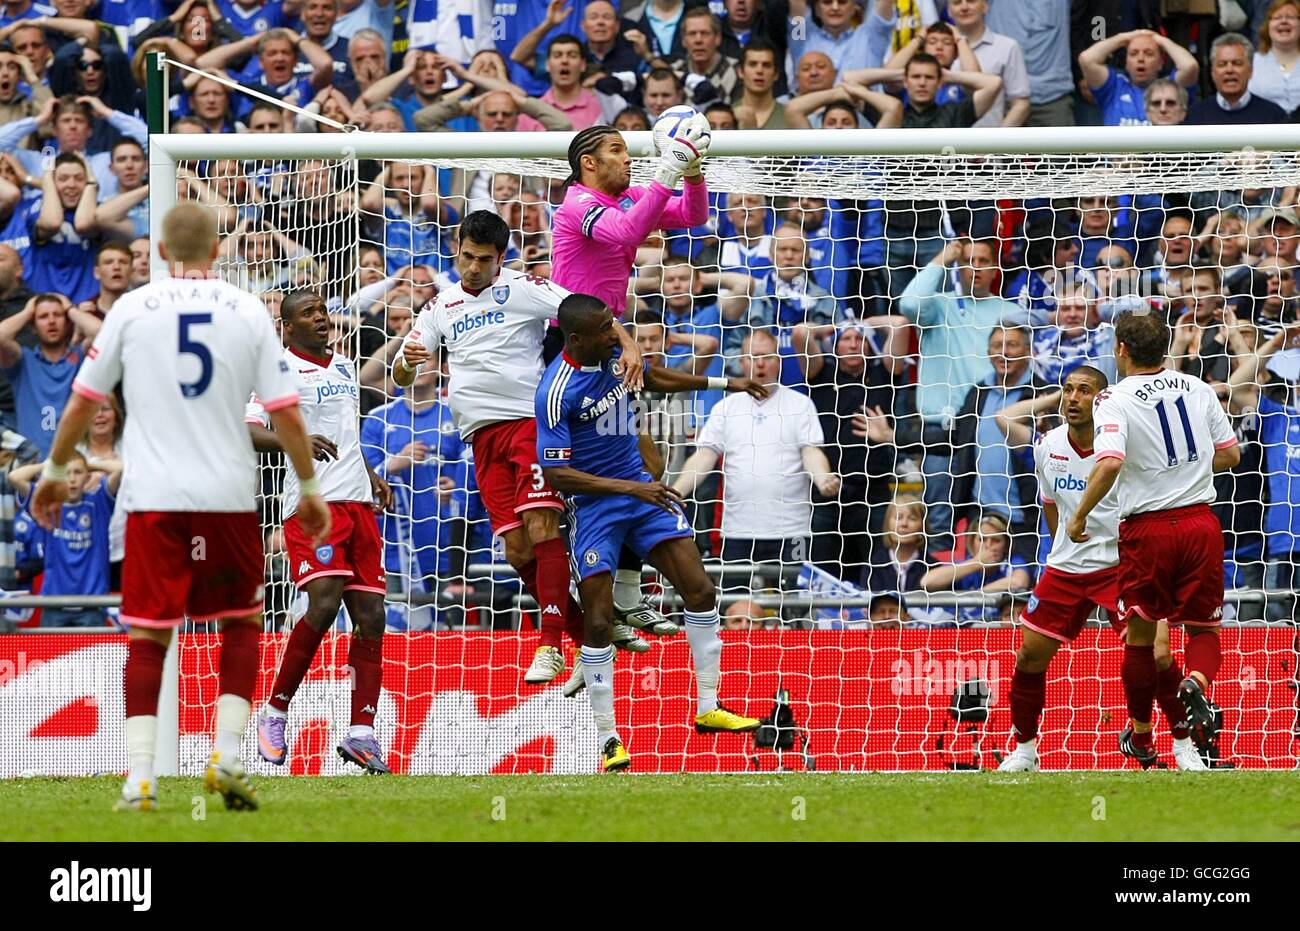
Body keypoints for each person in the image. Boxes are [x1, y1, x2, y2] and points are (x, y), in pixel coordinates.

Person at [29, 202, 329, 812]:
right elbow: (288, 412)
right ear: (218, 252)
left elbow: (84, 403)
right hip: (225, 497)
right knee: (240, 621)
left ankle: (140, 777)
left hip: (153, 497)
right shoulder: (247, 309)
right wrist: (310, 487)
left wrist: (56, 472)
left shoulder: (132, 309)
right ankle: (227, 754)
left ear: (161, 253)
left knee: (149, 632)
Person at [394, 211, 649, 686]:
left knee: (540, 522)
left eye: (484, 260)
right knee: (516, 550)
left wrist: (628, 343)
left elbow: (585, 309)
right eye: (467, 257)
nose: (473, 268)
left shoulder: (523, 287)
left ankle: (550, 643)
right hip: (479, 436)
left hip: (529, 423)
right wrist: (407, 366)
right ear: (455, 248)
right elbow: (400, 373)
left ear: (501, 258)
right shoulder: (439, 307)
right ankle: (593, 632)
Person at [536, 292, 765, 772]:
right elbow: (557, 476)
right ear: (577, 338)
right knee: (598, 623)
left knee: (699, 590)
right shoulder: (555, 392)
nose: (615, 332)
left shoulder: (612, 357)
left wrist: (728, 382)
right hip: (596, 507)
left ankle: (709, 708)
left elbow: (653, 377)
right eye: (605, 328)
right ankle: (608, 740)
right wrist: (631, 488)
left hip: (641, 496)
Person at [997, 366, 1206, 772]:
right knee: (1028, 657)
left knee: (1160, 655)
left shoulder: (1126, 446)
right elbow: (1051, 505)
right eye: (1068, 390)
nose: (1073, 398)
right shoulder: (1048, 446)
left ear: (1102, 399)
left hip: (1123, 566)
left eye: (1084, 390)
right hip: (1067, 569)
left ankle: (1183, 745)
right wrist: (1063, 547)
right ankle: (1024, 750)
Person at [1066, 312, 1242, 764]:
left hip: (1148, 530)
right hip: (1201, 523)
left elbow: (1107, 463)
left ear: (1121, 349)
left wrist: (1079, 516)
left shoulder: (1114, 399)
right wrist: (1187, 473)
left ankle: (1142, 733)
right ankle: (1197, 683)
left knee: (1141, 639)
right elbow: (1231, 454)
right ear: (1164, 348)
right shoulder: (1198, 388)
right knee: (1204, 627)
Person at [248, 290, 395, 774]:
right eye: (308, 313)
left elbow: (346, 434)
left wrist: (372, 476)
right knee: (326, 602)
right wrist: (296, 440)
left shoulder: (347, 367)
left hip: (358, 501)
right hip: (312, 506)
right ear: (286, 328)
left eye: (322, 310)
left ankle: (361, 734)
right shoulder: (276, 370)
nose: (320, 317)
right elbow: (247, 430)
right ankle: (274, 713)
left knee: (371, 616)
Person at [672, 328, 841, 569]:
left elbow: (811, 451)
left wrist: (823, 478)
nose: (760, 364)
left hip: (792, 530)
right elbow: (704, 456)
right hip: (737, 530)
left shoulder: (801, 404)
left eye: (767, 357)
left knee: (793, 601)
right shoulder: (725, 407)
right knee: (735, 601)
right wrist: (677, 491)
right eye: (752, 357)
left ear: (779, 361)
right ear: (742, 362)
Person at [551, 123, 711, 318]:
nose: (627, 159)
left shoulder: (629, 197)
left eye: (625, 151)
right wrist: (667, 173)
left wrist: (692, 173)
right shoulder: (577, 204)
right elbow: (628, 231)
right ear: (589, 163)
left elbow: (693, 215)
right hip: (570, 325)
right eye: (616, 151)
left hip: (605, 321)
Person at [8, 450, 119, 627]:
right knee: (52, 656)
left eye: (78, 472)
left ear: (88, 476)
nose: (72, 479)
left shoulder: (99, 501)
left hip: (92, 606)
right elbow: (14, 477)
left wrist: (89, 463)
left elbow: (122, 469)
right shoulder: (47, 502)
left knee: (90, 656)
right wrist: (50, 466)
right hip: (54, 605)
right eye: (66, 473)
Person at [1077, 28, 1200, 127]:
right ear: (1126, 62)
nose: (1140, 59)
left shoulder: (1170, 88)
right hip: (1117, 158)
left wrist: (1161, 40)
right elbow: (1087, 59)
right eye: (1134, 53)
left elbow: (1190, 66)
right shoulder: (1113, 87)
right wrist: (1124, 38)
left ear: (1160, 62)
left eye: (1149, 53)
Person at [1186, 32, 1288, 125]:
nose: (1229, 70)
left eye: (1237, 63)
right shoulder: (1196, 116)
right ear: (1213, 73)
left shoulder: (1273, 116)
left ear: (1250, 71)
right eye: (1222, 64)